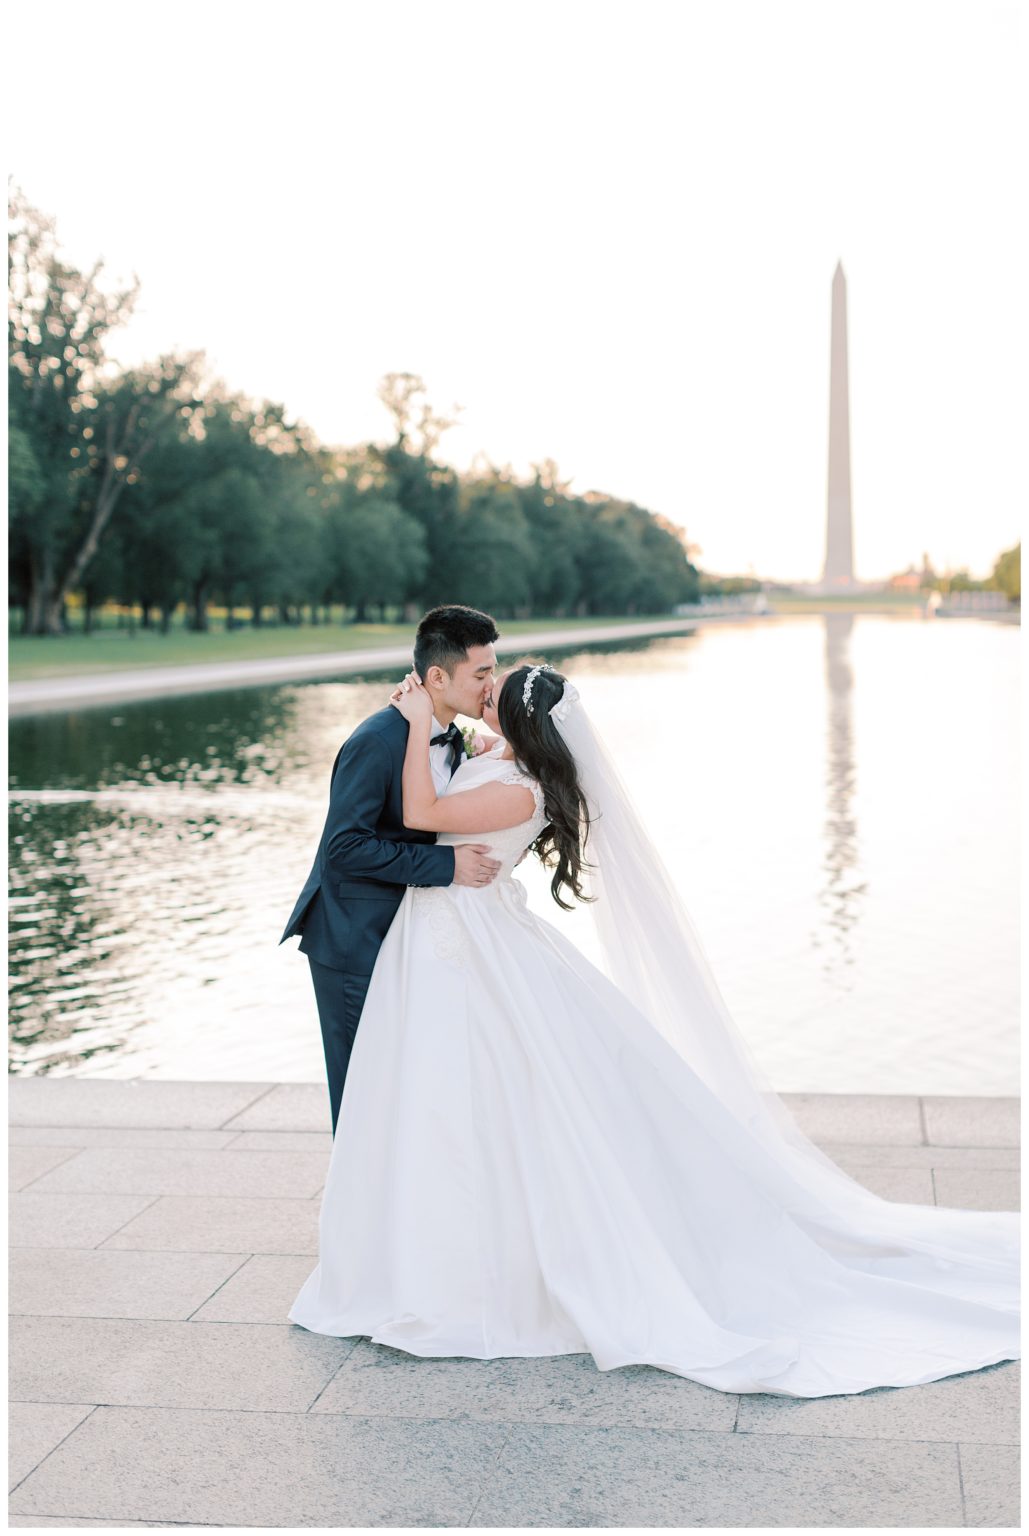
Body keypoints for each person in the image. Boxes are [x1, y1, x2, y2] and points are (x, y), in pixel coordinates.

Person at [288, 662, 1020, 1397]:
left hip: (467, 942)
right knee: (445, 1098)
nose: (484, 693)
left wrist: (417, 727)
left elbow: (419, 813)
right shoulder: (500, 762)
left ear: (517, 716)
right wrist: (450, 733)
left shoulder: (516, 791)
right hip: (447, 940)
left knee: (481, 1094)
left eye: (494, 688)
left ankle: (480, 1266)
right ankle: (425, 1247)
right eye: (483, 677)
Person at [279, 605, 504, 1134]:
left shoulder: (456, 737)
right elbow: (344, 848)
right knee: (362, 1090)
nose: (490, 684)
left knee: (404, 1083)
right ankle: (354, 1213)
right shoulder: (377, 741)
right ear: (436, 677)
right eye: (481, 673)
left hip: (409, 935)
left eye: (494, 670)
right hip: (353, 938)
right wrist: (445, 864)